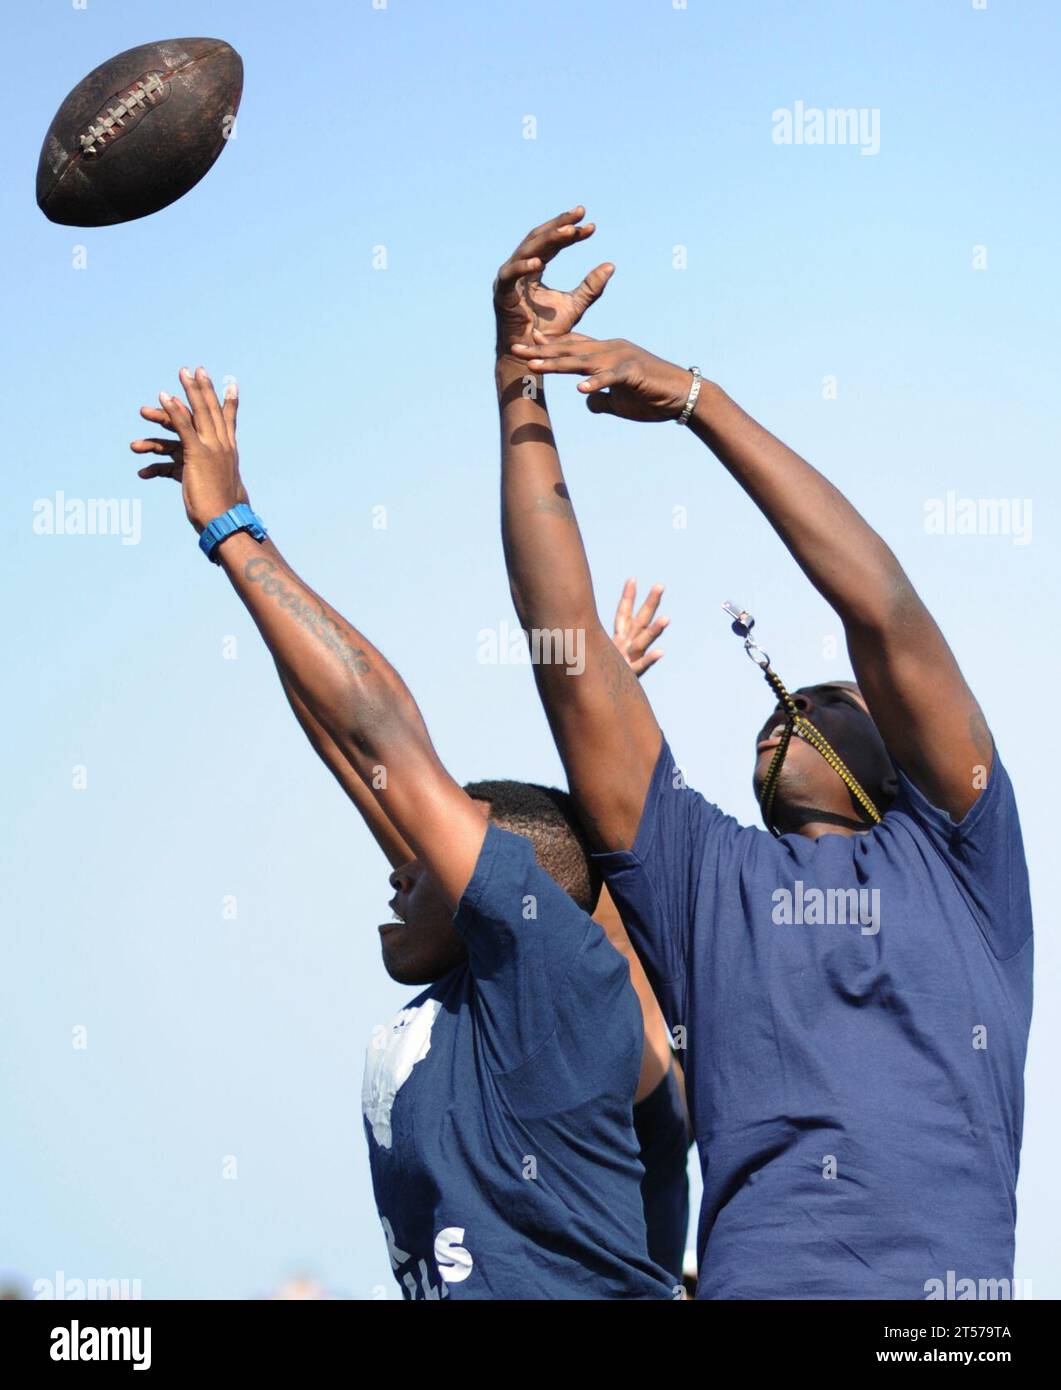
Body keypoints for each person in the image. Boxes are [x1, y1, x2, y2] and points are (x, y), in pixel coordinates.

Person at [493, 206, 1033, 1299]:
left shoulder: (966, 864)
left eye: (835, 700)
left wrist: (698, 400)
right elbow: (563, 641)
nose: (797, 708)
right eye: (790, 707)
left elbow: (877, 606)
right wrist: (519, 378)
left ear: (896, 767)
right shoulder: (704, 878)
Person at [129, 366, 678, 1300]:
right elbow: (353, 739)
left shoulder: (564, 994)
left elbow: (381, 728)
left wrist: (235, 531)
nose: (392, 873)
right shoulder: (491, 969)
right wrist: (240, 561)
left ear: (501, 898)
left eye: (419, 866)